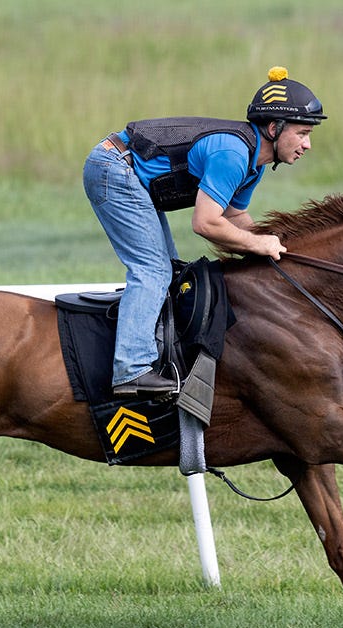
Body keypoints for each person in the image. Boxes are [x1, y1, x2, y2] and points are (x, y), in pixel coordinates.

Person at [83, 66, 327, 397]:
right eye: (301, 133)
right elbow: (206, 223)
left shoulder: (252, 165)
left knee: (166, 271)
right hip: (113, 167)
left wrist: (277, 248)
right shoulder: (233, 155)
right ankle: (131, 370)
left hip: (128, 172)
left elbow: (235, 215)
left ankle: (153, 355)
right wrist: (257, 243)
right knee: (153, 271)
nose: (307, 144)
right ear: (274, 127)